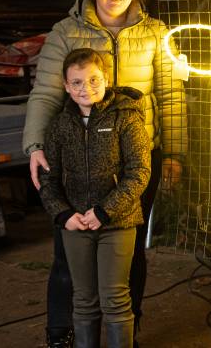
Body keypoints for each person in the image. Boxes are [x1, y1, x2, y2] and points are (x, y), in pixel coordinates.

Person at [23, 0, 185, 347]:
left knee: (129, 250)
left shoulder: (155, 33)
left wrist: (175, 153)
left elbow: (171, 95)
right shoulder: (66, 32)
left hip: (136, 159)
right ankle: (61, 333)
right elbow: (44, 93)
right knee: (68, 249)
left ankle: (126, 331)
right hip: (75, 158)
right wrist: (36, 145)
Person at [39, 48, 151, 348]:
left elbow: (139, 172)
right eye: (76, 82)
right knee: (84, 299)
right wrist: (63, 214)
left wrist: (105, 211)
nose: (85, 88)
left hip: (118, 223)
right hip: (76, 224)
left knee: (115, 298)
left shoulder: (126, 118)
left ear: (106, 79)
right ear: (66, 86)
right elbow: (48, 179)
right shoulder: (60, 126)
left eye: (93, 80)